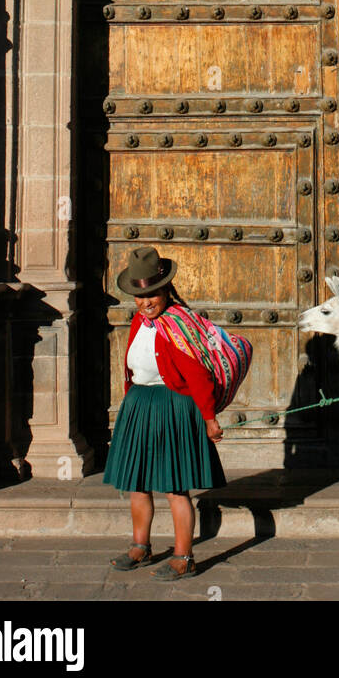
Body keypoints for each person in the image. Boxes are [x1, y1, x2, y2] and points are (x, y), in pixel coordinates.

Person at [103, 246, 225, 580]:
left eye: (152, 295)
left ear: (165, 290)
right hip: (139, 406)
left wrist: (209, 417)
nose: (146, 302)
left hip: (172, 406)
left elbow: (198, 376)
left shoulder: (178, 324)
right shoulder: (138, 322)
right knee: (137, 484)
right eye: (139, 296)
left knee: (175, 487)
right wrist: (130, 405)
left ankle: (184, 556)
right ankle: (140, 547)